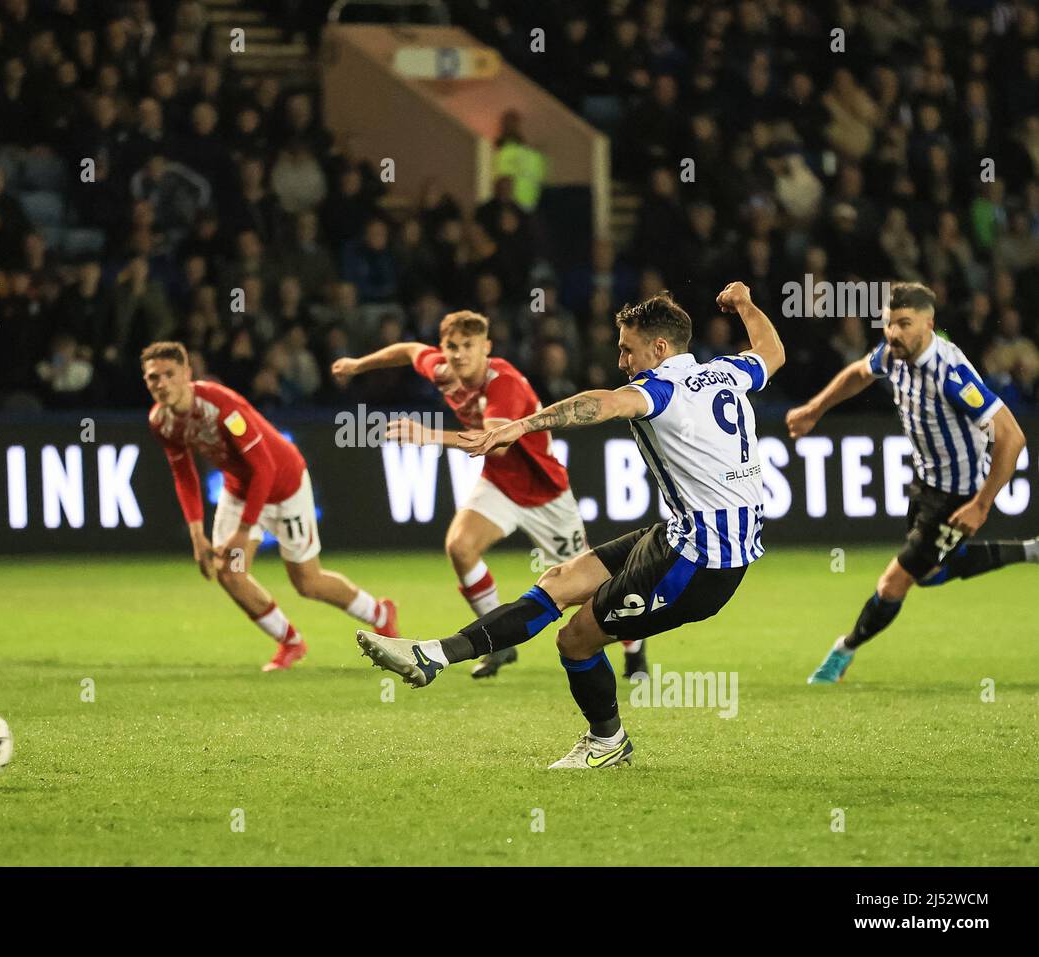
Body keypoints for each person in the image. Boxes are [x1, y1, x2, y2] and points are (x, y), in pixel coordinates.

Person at [353, 283, 785, 769]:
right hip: (683, 533)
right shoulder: (728, 371)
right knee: (558, 580)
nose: (622, 361)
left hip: (702, 564)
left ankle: (608, 741)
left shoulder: (661, 389)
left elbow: (602, 404)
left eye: (627, 349)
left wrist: (520, 425)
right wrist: (746, 305)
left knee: (576, 639)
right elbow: (772, 351)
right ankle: (432, 653)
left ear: (659, 349)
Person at [333, 310, 608, 679]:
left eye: (468, 346)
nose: (459, 354)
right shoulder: (444, 371)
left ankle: (636, 651)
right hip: (499, 484)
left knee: (591, 587)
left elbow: (495, 445)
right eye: (451, 346)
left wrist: (429, 435)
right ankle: (500, 642)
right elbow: (409, 350)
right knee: (460, 547)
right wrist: (357, 365)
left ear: (486, 348)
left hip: (546, 494)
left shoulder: (504, 383)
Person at [786, 282, 1035, 684]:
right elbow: (859, 373)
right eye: (889, 324)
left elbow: (1012, 437)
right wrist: (814, 410)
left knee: (894, 582)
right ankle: (1029, 552)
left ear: (929, 324)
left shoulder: (950, 374)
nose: (893, 333)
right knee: (931, 573)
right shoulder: (894, 354)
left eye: (904, 323)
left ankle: (843, 651)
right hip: (926, 482)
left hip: (958, 495)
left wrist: (982, 504)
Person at [142, 340, 398, 671]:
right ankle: (290, 642)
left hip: (284, 487)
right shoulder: (162, 421)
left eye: (168, 374)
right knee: (231, 574)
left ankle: (380, 613)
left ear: (187, 373)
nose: (161, 384)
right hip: (239, 492)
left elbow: (264, 468)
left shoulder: (221, 406)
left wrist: (244, 530)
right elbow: (183, 473)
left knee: (308, 582)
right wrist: (196, 534)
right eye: (152, 378)